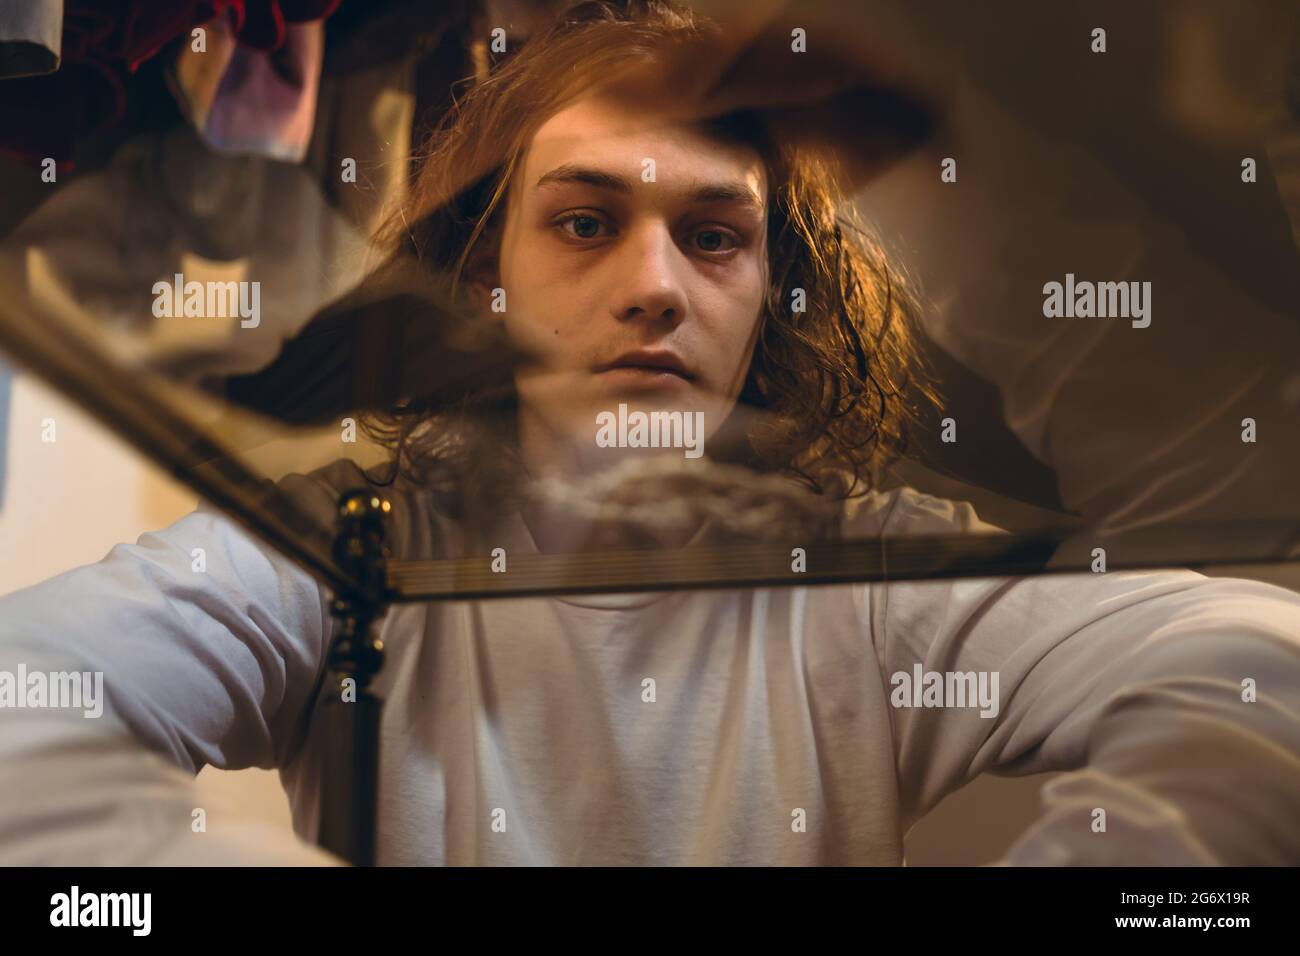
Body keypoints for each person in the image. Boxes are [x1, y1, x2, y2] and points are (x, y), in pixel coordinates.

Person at [1, 0, 1298, 866]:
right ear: (486, 275)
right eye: (583, 220)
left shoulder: (876, 574)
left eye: (716, 235)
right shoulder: (352, 547)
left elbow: (1255, 667)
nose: (656, 286)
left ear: (767, 291)